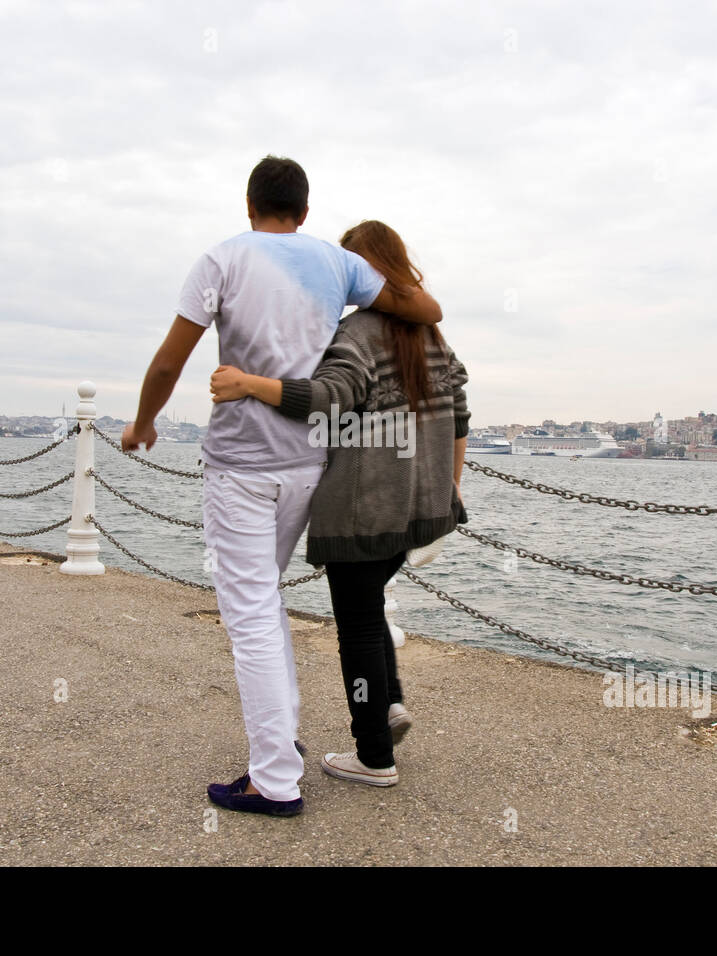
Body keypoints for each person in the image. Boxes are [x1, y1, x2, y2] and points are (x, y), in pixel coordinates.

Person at [120, 158, 442, 817]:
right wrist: (386, 288)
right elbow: (427, 307)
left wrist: (142, 424)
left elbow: (169, 359)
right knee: (258, 607)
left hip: (241, 466)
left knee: (251, 613)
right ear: (303, 209)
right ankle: (280, 746)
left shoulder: (222, 260)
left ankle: (274, 778)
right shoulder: (336, 264)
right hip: (307, 468)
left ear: (250, 205)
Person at [210, 219, 469, 788]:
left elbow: (326, 401)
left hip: (364, 509)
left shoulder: (354, 335)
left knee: (355, 625)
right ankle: (390, 703)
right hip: (421, 507)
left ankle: (374, 756)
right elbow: (459, 418)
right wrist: (450, 488)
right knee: (370, 606)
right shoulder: (433, 339)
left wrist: (250, 384)